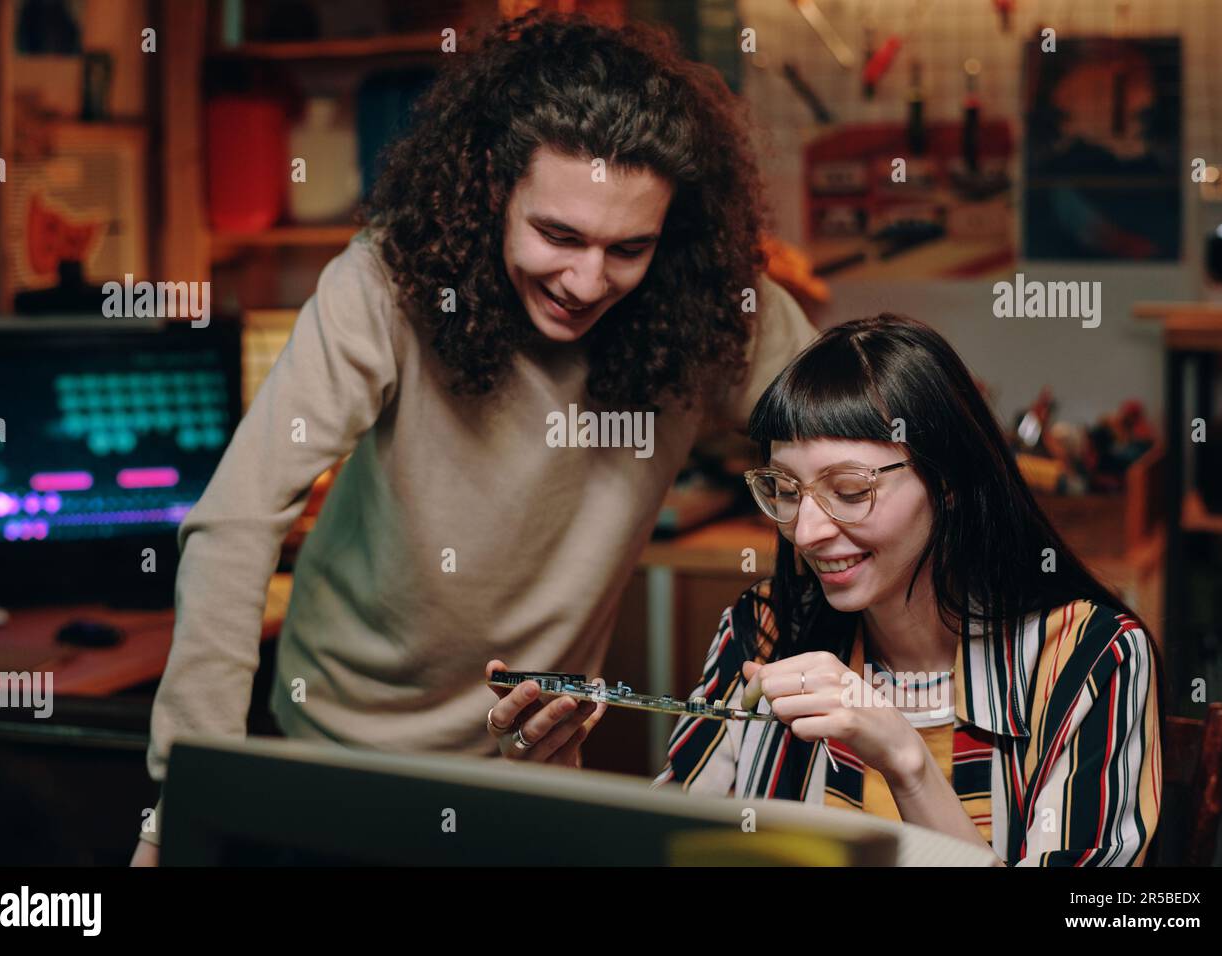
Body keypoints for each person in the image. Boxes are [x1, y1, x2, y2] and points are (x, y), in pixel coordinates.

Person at [131, 12, 817, 864]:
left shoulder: (712, 309)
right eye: (557, 235)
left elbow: (845, 441)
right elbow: (234, 523)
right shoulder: (384, 286)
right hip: (334, 746)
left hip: (525, 764)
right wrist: (180, 800)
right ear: (493, 187)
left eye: (627, 247)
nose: (586, 280)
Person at [487, 313, 1165, 867]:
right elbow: (682, 847)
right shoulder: (763, 631)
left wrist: (906, 762)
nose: (807, 531)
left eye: (849, 491)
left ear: (950, 483)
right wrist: (561, 777)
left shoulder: (1089, 658)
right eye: (784, 491)